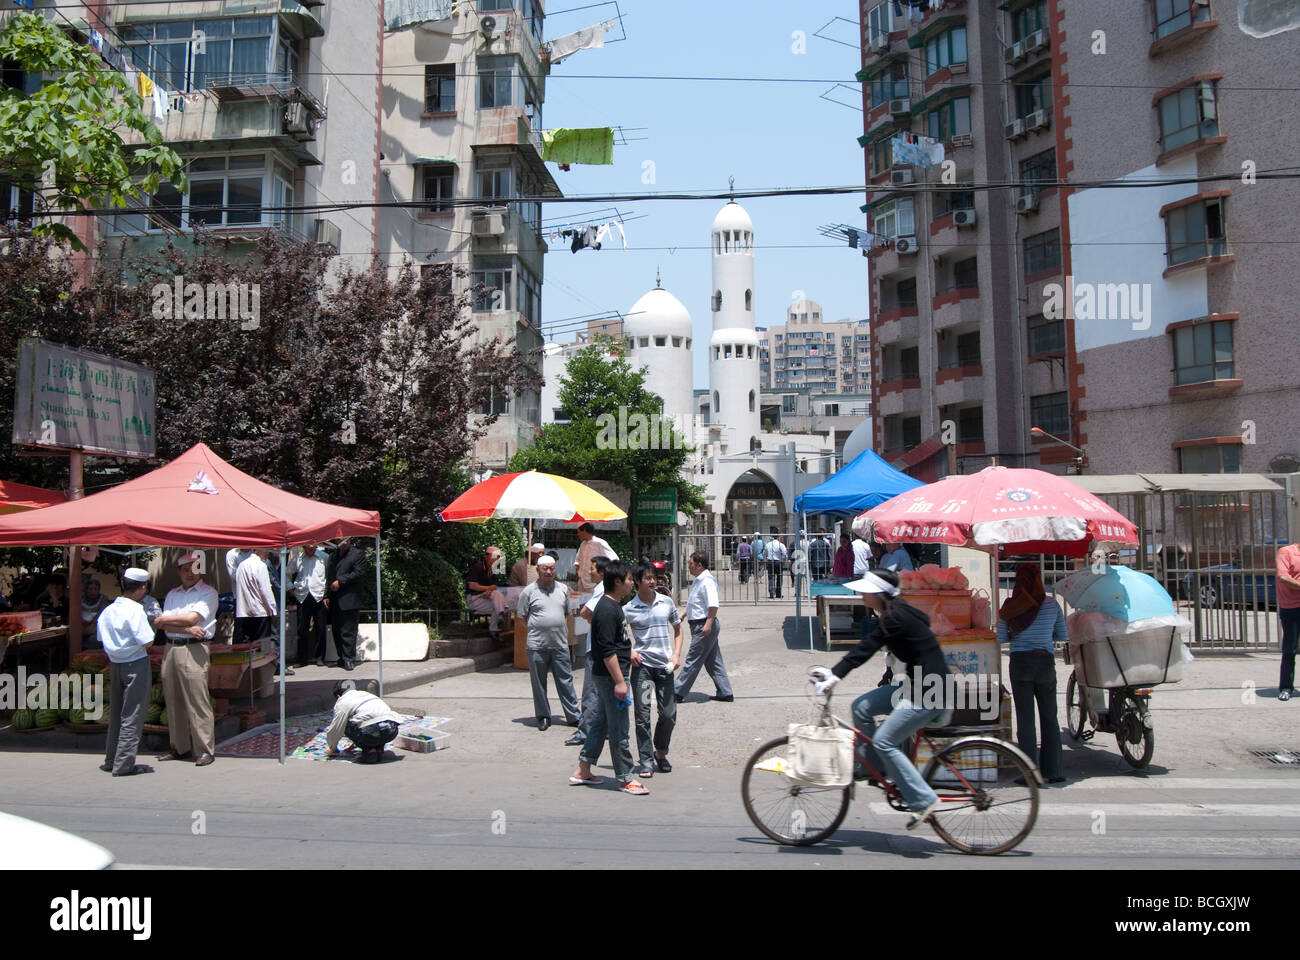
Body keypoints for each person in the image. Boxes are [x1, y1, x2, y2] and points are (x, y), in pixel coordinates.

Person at [810, 568, 952, 829]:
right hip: (915, 684)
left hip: (931, 690)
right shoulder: (898, 611)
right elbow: (916, 626)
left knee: (884, 741)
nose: (861, 594)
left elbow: (865, 648)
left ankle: (923, 800)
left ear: (879, 594)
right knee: (861, 707)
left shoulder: (894, 618)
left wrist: (835, 675)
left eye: (866, 590)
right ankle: (877, 768)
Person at [570, 561, 646, 795]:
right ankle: (625, 777)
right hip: (612, 677)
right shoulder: (605, 609)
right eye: (629, 579)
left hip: (613, 675)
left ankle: (583, 769)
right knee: (619, 727)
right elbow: (607, 651)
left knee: (601, 723)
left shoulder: (613, 606)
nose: (632, 583)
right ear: (617, 581)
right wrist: (620, 682)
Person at [997, 562, 1067, 783]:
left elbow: (1001, 639)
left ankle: (1028, 773)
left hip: (1020, 663)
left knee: (1026, 719)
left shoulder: (1009, 606)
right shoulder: (1052, 604)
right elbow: (1062, 635)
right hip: (1045, 662)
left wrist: (1017, 634)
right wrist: (1045, 635)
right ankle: (1053, 771)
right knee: (1050, 718)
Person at [155, 553, 219, 767]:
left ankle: (204, 749)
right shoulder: (173, 594)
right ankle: (179, 747)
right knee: (173, 701)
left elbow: (191, 617)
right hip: (171, 648)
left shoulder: (207, 593)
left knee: (197, 700)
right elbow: (165, 626)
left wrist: (167, 621)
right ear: (179, 572)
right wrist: (185, 627)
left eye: (194, 568)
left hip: (195, 650)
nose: (190, 573)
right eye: (185, 569)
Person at [624, 561, 684, 777]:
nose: (652, 582)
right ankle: (646, 759)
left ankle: (661, 752)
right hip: (644, 670)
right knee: (642, 714)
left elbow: (678, 630)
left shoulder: (666, 602)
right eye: (647, 578)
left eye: (654, 578)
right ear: (637, 581)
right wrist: (630, 650)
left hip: (664, 669)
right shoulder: (629, 609)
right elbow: (618, 636)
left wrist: (676, 655)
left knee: (668, 714)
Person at [98, 568, 157, 777]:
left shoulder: (109, 610)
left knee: (116, 713)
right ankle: (124, 764)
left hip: (115, 664)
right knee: (132, 714)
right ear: (143, 587)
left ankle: (111, 759)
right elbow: (148, 641)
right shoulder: (135, 610)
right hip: (135, 664)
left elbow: (100, 638)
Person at [517, 554, 580, 731]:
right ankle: (543, 716)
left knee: (565, 681)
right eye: (545, 568)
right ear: (538, 570)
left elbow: (566, 614)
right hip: (537, 646)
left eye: (552, 568)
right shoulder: (528, 592)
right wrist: (537, 629)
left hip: (559, 644)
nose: (549, 572)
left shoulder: (562, 590)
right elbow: (521, 616)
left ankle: (573, 716)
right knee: (539, 682)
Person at [674, 552, 733, 702]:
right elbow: (696, 602)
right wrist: (684, 614)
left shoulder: (707, 581)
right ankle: (725, 692)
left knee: (693, 660)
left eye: (691, 564)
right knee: (713, 660)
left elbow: (713, 604)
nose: (689, 567)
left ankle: (677, 692)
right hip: (700, 624)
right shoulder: (699, 580)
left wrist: (708, 624)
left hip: (704, 625)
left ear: (699, 565)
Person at [567, 555, 612, 746]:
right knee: (603, 692)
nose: (589, 571)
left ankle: (586, 732)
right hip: (606, 647)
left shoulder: (601, 590)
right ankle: (605, 728)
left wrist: (594, 619)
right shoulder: (605, 589)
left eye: (592, 569)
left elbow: (586, 612)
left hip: (596, 648)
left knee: (591, 692)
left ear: (602, 573)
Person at [326, 679, 403, 764]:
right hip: (391, 730)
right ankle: (378, 747)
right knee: (373, 725)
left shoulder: (342, 701)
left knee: (345, 723)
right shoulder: (366, 694)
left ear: (338, 696)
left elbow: (336, 728)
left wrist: (332, 748)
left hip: (370, 733)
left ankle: (370, 750)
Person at [235, 549, 284, 672]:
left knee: (248, 647)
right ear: (258, 550)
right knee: (265, 647)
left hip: (244, 613)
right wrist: (273, 611)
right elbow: (265, 590)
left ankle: (251, 674)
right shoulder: (261, 566)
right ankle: (264, 673)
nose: (268, 553)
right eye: (266, 550)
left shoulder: (242, 565)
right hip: (260, 613)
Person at [326, 537, 367, 670]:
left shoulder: (357, 554)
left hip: (349, 598)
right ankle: (341, 658)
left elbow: (359, 572)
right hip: (334, 598)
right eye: (338, 540)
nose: (340, 542)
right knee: (336, 630)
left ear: (348, 540)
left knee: (348, 630)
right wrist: (326, 595)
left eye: (342, 540)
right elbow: (329, 576)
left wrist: (341, 581)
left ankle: (349, 658)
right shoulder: (333, 557)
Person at [289, 543, 329, 667]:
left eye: (313, 547)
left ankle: (320, 657)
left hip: (319, 595)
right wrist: (290, 588)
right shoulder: (297, 558)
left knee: (321, 628)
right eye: (308, 547)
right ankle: (302, 658)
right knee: (302, 629)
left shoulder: (324, 557)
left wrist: (327, 595)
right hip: (302, 596)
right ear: (304, 546)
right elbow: (287, 573)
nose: (311, 549)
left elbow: (330, 575)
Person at [464, 545, 506, 642]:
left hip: (485, 597)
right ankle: (499, 618)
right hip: (474, 599)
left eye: (498, 557)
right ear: (486, 557)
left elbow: (493, 587)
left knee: (497, 597)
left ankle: (493, 629)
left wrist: (489, 591)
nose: (496, 560)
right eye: (494, 557)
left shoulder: (494, 570)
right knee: (498, 601)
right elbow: (472, 586)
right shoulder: (477, 567)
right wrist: (488, 588)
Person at [1277, 542, 1300, 701]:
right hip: (1291, 607)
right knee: (1290, 649)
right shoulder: (1286, 552)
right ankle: (1286, 687)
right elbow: (1283, 577)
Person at [575, 522, 617, 594]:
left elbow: (614, 560)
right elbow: (577, 561)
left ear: (584, 530)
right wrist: (579, 574)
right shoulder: (583, 544)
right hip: (582, 584)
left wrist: (602, 576)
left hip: (594, 585)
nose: (578, 534)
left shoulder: (600, 543)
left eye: (579, 532)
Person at [79, 578, 112, 649]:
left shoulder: (103, 599)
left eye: (95, 589)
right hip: (82, 627)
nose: (92, 592)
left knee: (93, 640)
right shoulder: (80, 599)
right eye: (90, 589)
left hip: (96, 628)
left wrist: (92, 624)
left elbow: (101, 615)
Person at [763, 534, 787, 599]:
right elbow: (784, 554)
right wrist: (783, 562)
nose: (782, 539)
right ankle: (778, 594)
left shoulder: (768, 544)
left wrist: (766, 562)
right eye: (781, 537)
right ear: (778, 537)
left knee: (771, 578)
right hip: (778, 562)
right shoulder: (781, 545)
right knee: (779, 578)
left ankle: (771, 593)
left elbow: (764, 553)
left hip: (770, 562)